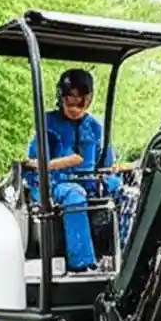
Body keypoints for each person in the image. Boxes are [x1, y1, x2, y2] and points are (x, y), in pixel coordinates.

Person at [24, 69, 104, 273]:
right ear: (61, 98)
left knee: (122, 190)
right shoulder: (48, 123)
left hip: (88, 181)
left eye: (81, 103)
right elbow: (35, 162)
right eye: (71, 102)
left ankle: (127, 261)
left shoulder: (94, 127)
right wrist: (54, 164)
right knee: (74, 195)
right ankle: (83, 265)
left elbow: (104, 161)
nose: (75, 108)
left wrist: (109, 174)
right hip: (55, 184)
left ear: (89, 99)